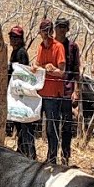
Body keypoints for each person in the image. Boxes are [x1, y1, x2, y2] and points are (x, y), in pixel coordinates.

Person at [34, 18, 67, 164]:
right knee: (36, 123)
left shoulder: (58, 47)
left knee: (52, 128)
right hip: (41, 92)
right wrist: (35, 67)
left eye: (48, 30)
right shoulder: (40, 46)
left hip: (54, 93)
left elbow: (62, 72)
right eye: (43, 31)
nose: (45, 34)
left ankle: (52, 158)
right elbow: (37, 65)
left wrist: (52, 70)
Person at [5, 25, 36, 156]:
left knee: (24, 123)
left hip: (21, 92)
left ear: (20, 39)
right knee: (18, 122)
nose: (12, 39)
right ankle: (22, 149)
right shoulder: (14, 51)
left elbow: (22, 72)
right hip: (15, 92)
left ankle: (28, 151)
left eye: (15, 37)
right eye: (11, 36)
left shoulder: (21, 52)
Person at [53, 17, 79, 164]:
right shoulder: (50, 45)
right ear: (55, 28)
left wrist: (77, 91)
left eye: (64, 26)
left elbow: (76, 70)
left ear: (68, 29)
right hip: (52, 90)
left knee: (67, 126)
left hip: (68, 90)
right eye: (59, 26)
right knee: (53, 124)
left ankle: (65, 156)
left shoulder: (72, 46)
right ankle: (52, 156)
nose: (62, 29)